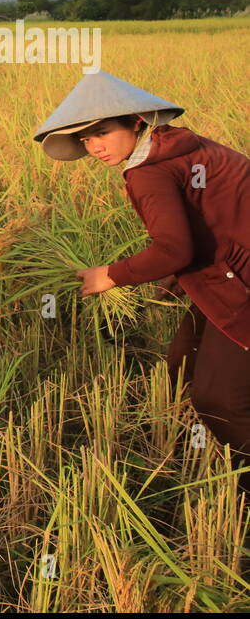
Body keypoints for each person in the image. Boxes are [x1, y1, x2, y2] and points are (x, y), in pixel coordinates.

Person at [33, 70, 250, 495]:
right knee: (183, 364)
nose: (95, 147)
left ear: (135, 122)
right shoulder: (183, 146)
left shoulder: (149, 172)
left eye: (102, 133)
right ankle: (195, 455)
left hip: (240, 283)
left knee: (220, 400)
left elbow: (174, 249)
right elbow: (210, 221)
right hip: (229, 272)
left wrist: (109, 275)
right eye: (85, 140)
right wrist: (184, 274)